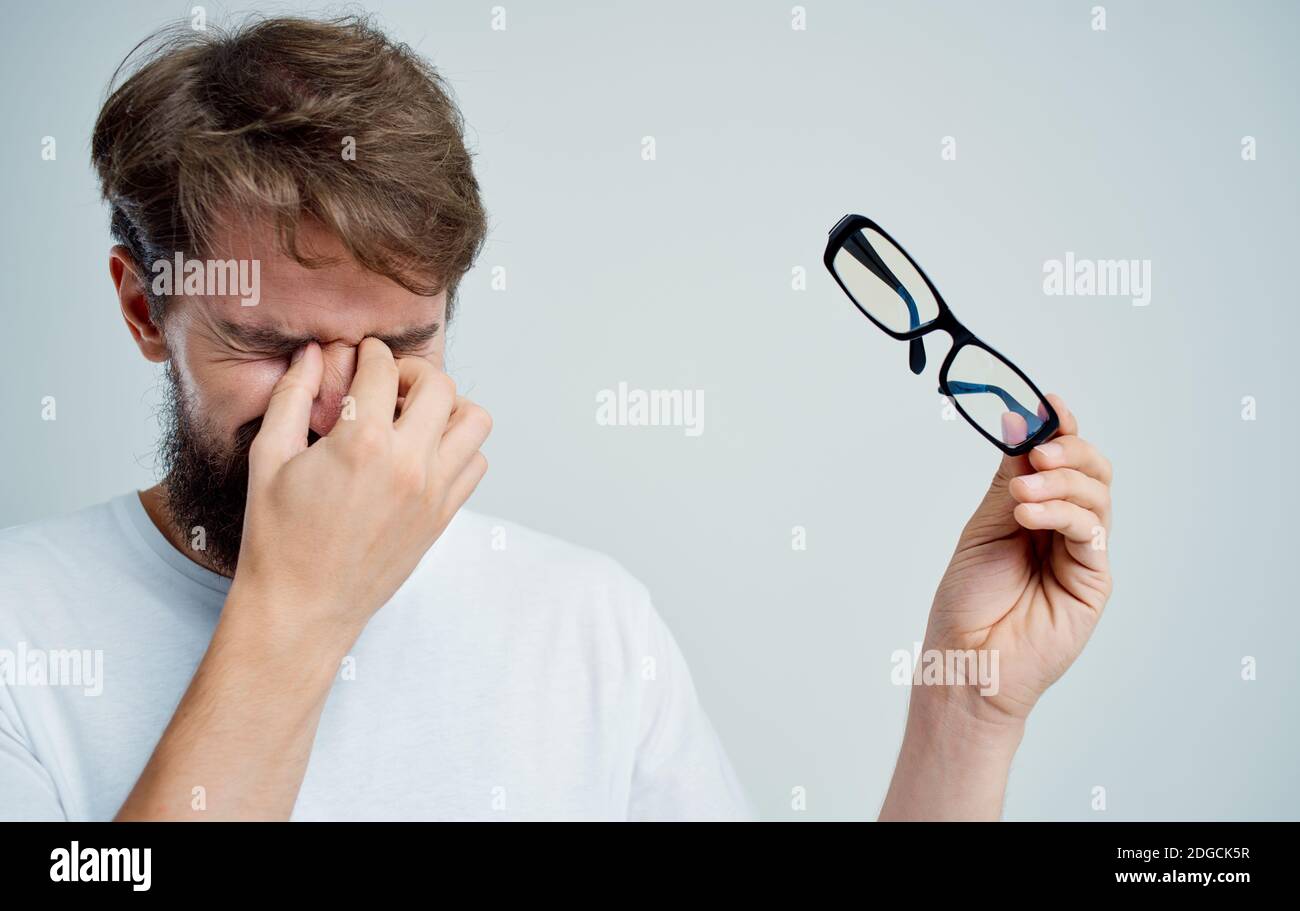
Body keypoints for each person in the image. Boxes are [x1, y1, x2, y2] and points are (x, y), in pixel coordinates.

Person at [0, 16, 1113, 821]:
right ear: (146, 307)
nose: (342, 408)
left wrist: (966, 712)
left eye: (400, 345)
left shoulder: (585, 623)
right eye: (274, 347)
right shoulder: (20, 632)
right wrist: (299, 608)